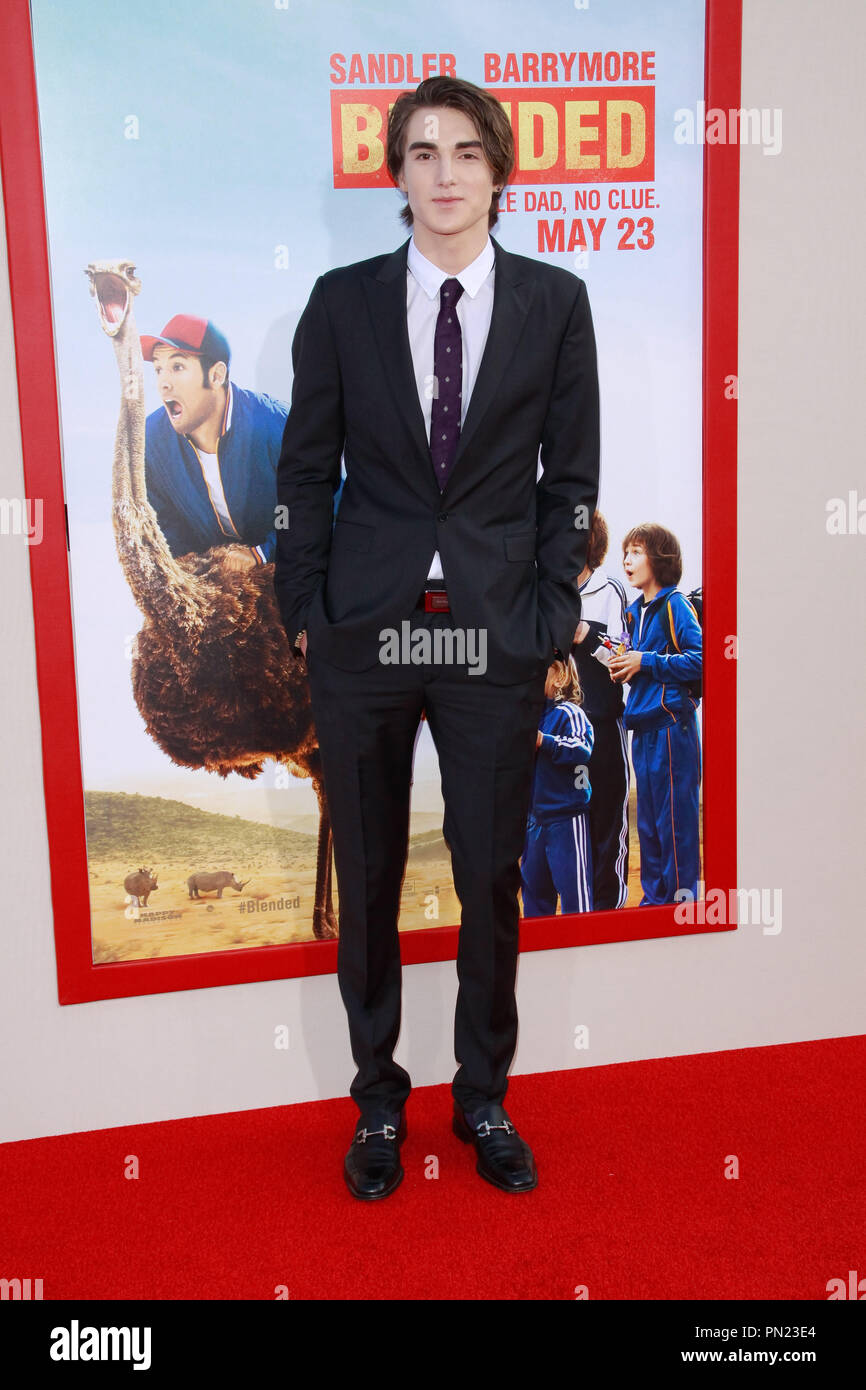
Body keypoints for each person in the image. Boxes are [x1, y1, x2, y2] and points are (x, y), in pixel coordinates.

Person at [274, 76, 600, 1199]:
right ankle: (376, 1107)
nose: (445, 173)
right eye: (422, 154)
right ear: (397, 174)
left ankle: (482, 1099)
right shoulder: (340, 301)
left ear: (498, 171)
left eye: (466, 152)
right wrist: (305, 610)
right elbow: (305, 470)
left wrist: (548, 609)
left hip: (488, 632)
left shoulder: (556, 304)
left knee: (486, 874)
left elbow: (572, 481)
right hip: (365, 630)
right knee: (365, 878)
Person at [141, 314, 292, 571]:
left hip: (291, 564)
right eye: (158, 369)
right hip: (219, 583)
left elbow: (316, 502)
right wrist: (193, 565)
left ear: (216, 375)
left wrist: (263, 552)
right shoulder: (154, 438)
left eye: (177, 367)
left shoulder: (274, 424)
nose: (163, 384)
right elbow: (162, 516)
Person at [609, 524, 702, 906]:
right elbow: (645, 668)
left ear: (659, 558)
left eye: (636, 551)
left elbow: (699, 660)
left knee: (674, 821)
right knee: (647, 822)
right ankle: (654, 902)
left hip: (671, 727)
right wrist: (622, 661)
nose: (627, 560)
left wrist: (644, 661)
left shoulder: (676, 605)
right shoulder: (634, 613)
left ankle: (681, 903)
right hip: (643, 730)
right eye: (625, 553)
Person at [571, 510, 631, 909]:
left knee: (608, 822)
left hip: (603, 725)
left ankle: (609, 914)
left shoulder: (610, 590)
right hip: (561, 732)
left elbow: (624, 655)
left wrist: (586, 634)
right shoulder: (547, 591)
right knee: (568, 825)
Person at [520, 656, 595, 917]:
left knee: (575, 897)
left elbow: (581, 749)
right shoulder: (530, 717)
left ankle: (585, 947)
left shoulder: (569, 713)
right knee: (534, 899)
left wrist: (545, 741)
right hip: (534, 822)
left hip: (566, 819)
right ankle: (538, 950)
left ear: (559, 678)